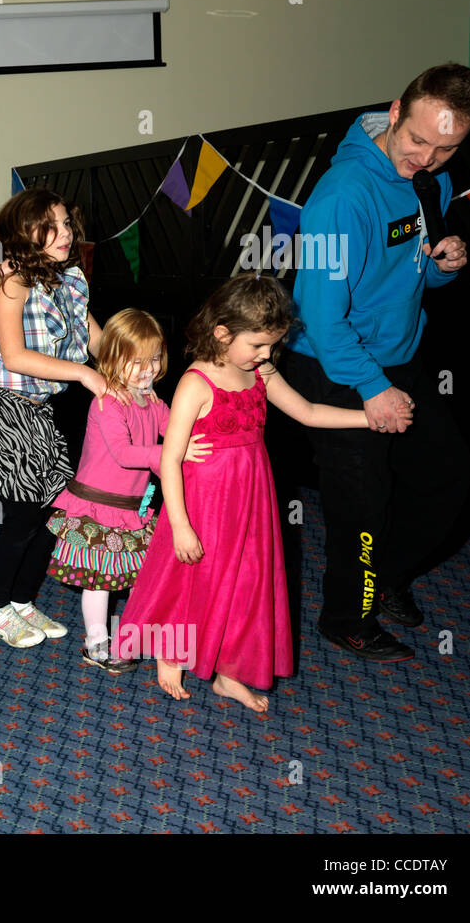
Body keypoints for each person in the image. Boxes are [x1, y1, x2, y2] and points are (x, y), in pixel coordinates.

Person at [116, 276, 392, 711]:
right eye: (259, 345)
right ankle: (171, 652)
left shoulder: (260, 371)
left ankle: (230, 673)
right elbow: (169, 460)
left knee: (248, 583)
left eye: (273, 345)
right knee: (190, 575)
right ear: (221, 333)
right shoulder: (196, 383)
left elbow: (308, 411)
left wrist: (368, 418)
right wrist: (181, 526)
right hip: (203, 501)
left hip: (252, 499)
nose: (267, 355)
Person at [286, 63, 470, 661]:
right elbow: (320, 317)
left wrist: (444, 267)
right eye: (418, 140)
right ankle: (346, 617)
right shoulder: (341, 195)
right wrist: (373, 388)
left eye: (446, 149)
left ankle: (386, 581)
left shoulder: (431, 183)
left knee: (450, 478)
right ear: (395, 111)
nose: (426, 159)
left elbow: (413, 275)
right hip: (334, 367)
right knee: (363, 507)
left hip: (398, 359)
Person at [0, 188, 112, 649]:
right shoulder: (13, 280)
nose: (65, 233)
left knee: (53, 514)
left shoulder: (73, 279)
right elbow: (16, 356)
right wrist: (84, 374)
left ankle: (20, 601)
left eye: (66, 223)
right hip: (1, 411)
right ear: (25, 232)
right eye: (52, 225)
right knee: (22, 517)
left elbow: (97, 342)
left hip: (40, 412)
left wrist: (130, 367)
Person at [45, 309, 210, 673]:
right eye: (137, 362)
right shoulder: (106, 402)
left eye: (154, 359)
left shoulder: (150, 399)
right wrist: (169, 453)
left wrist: (200, 435)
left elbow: (174, 427)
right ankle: (95, 642)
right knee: (100, 581)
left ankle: (130, 636)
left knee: (138, 576)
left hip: (133, 509)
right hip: (98, 506)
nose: (148, 369)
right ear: (112, 359)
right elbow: (123, 453)